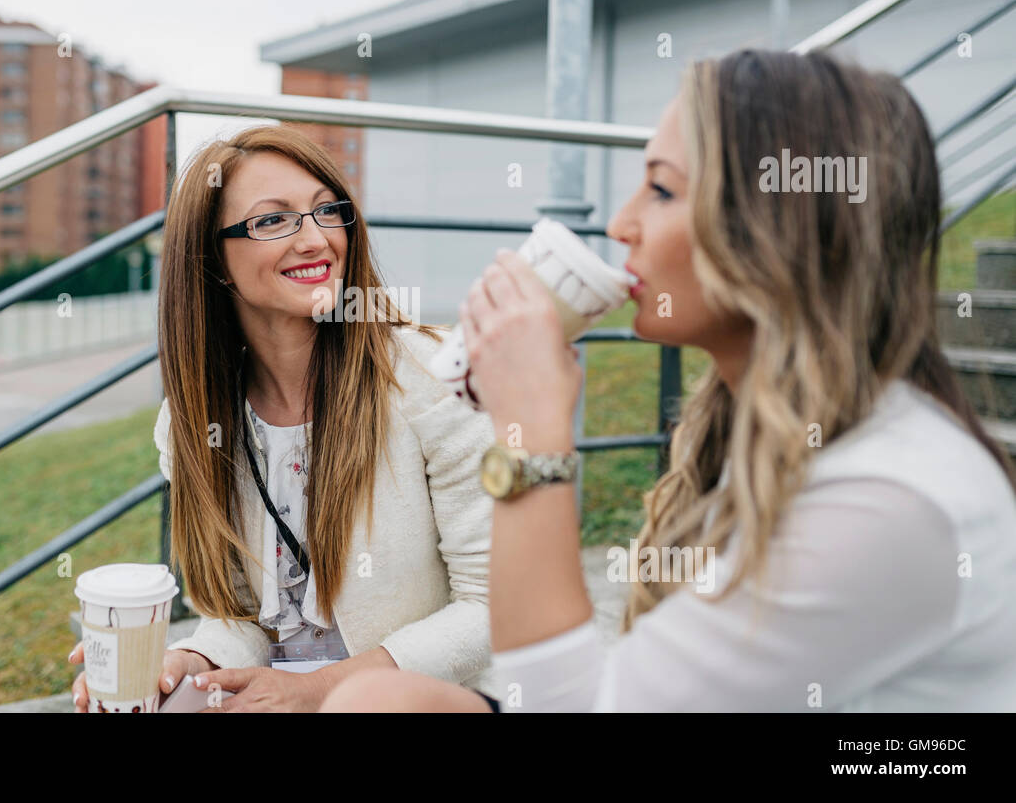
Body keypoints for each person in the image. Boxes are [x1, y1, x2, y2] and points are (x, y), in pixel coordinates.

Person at [320, 48, 1016, 712]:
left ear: (778, 226)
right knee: (375, 701)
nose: (623, 224)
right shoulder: (763, 427)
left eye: (660, 189)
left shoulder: (889, 502)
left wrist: (530, 429)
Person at [68, 125, 503, 711]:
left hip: (407, 693)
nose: (316, 239)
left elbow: (491, 608)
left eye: (328, 211)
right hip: (274, 693)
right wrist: (189, 661)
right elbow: (241, 620)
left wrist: (317, 689)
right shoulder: (194, 420)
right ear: (214, 260)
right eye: (274, 220)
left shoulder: (430, 377)